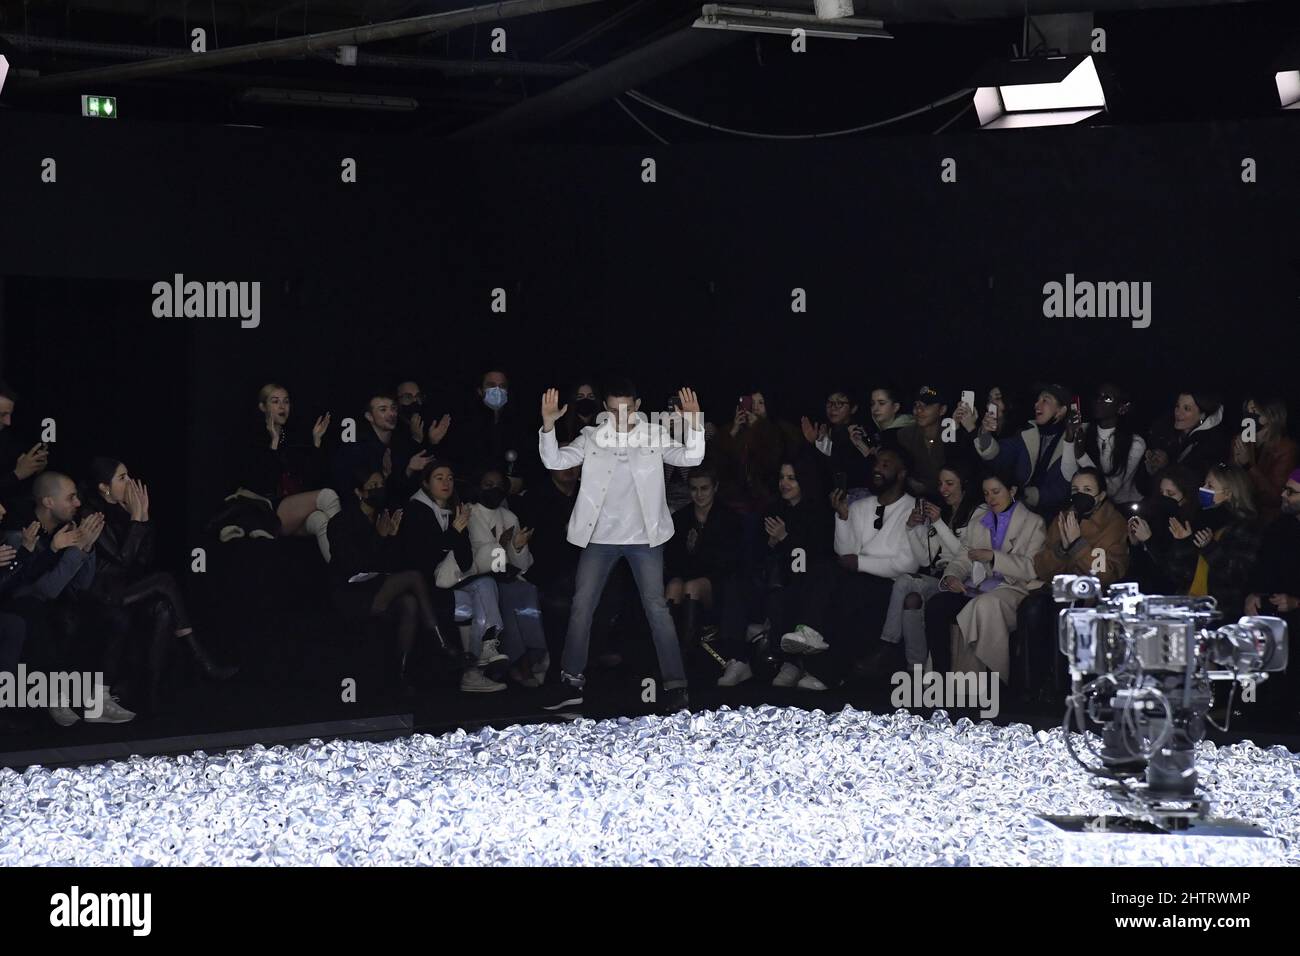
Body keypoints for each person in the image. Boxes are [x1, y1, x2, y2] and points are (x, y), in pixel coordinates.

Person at [536, 380, 706, 713]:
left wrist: (694, 422)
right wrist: (548, 424)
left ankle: (676, 684)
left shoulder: (654, 435)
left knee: (656, 607)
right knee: (582, 604)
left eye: (626, 408)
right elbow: (554, 461)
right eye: (613, 409)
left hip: (644, 537)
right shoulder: (591, 437)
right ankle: (571, 681)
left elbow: (692, 456)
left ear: (638, 405)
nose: (620, 415)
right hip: (599, 537)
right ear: (605, 407)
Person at [80, 457, 237, 710]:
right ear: (103, 487)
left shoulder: (126, 509)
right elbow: (122, 559)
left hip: (128, 589)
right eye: (122, 478)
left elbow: (141, 563)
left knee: (164, 609)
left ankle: (151, 694)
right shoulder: (92, 513)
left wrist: (143, 516)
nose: (130, 482)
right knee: (164, 579)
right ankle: (199, 656)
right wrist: (138, 519)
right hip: (102, 593)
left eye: (128, 475)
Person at [777, 446, 919, 690]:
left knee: (853, 592)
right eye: (876, 463)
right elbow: (845, 552)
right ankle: (808, 636)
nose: (877, 468)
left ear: (902, 473)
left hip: (889, 583)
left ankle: (828, 671)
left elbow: (907, 563)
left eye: (886, 464)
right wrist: (842, 518)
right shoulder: (861, 506)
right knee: (823, 571)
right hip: (855, 575)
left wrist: (861, 562)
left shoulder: (913, 509)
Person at [2, 472, 135, 724]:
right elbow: (44, 592)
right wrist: (74, 550)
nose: (77, 504)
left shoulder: (68, 530)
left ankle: (99, 700)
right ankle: (55, 699)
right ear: (48, 502)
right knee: (50, 618)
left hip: (59, 603)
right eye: (71, 498)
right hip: (26, 608)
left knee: (113, 616)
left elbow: (81, 584)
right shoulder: (21, 536)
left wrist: (85, 547)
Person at [327, 466, 455, 693]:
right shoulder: (341, 521)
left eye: (381, 485)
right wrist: (379, 536)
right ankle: (439, 641)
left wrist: (392, 538)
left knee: (410, 603)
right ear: (360, 492)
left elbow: (390, 565)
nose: (378, 490)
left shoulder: (384, 517)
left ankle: (401, 673)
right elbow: (352, 565)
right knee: (414, 577)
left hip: (378, 587)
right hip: (351, 593)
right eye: (372, 487)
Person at [1016, 466, 1130, 698]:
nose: (1080, 495)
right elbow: (1042, 568)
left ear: (1100, 496)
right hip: (1060, 589)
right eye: (1076, 489)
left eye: (1087, 490)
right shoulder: (1064, 517)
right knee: (1032, 607)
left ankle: (1064, 691)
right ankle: (1031, 688)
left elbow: (1106, 573)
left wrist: (1077, 545)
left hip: (1095, 596)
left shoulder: (1114, 522)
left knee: (1066, 612)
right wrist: (1061, 549)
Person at [925, 470, 1046, 683]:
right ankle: (941, 676)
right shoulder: (978, 521)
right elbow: (963, 558)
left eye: (996, 492)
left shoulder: (1033, 522)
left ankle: (991, 680)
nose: (990, 498)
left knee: (984, 605)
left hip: (1014, 588)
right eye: (986, 493)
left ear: (1012, 491)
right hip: (976, 586)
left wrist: (993, 557)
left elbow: (1032, 568)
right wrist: (951, 577)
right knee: (937, 605)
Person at [399, 461, 509, 693]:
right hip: (424, 589)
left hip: (451, 582)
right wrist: (453, 534)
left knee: (487, 583)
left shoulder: (456, 511)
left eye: (449, 477)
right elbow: (419, 560)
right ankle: (472, 671)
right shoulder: (415, 510)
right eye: (439, 478)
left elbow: (466, 560)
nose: (446, 482)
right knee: (472, 605)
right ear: (426, 483)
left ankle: (486, 649)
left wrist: (457, 534)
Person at [881, 461, 979, 668]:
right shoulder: (943, 514)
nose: (943, 489)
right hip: (939, 578)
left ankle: (888, 647)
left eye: (950, 484)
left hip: (964, 581)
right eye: (941, 483)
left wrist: (938, 523)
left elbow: (966, 553)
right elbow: (925, 559)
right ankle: (915, 665)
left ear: (964, 485)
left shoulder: (978, 512)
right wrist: (911, 528)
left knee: (906, 583)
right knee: (910, 597)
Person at [468, 466, 549, 687]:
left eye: (499, 486)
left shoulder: (509, 516)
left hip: (507, 575)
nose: (494, 490)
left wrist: (518, 546)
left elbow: (522, 565)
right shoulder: (470, 512)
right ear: (479, 487)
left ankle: (532, 655)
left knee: (526, 589)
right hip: (478, 578)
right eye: (488, 485)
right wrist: (504, 546)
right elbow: (485, 558)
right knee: (511, 593)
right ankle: (517, 662)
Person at [239, 383, 340, 560]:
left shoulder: (292, 437)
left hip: (292, 511)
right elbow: (262, 484)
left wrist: (316, 441)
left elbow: (311, 481)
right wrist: (273, 443)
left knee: (319, 520)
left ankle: (345, 574)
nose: (282, 406)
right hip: (266, 511)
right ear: (263, 407)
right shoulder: (252, 438)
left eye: (286, 401)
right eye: (275, 401)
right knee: (328, 496)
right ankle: (352, 555)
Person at [760, 459, 835, 688]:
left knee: (804, 588)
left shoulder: (817, 511)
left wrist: (785, 539)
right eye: (782, 477)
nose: (784, 483)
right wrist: (773, 544)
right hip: (781, 576)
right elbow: (761, 552)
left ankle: (810, 664)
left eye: (791, 478)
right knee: (780, 594)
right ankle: (789, 663)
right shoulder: (774, 509)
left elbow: (814, 554)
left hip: (812, 575)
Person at [663, 466, 742, 667]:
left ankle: (687, 655)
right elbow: (672, 558)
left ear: (715, 488)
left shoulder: (728, 518)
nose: (699, 494)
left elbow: (729, 562)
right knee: (675, 587)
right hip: (687, 576)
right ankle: (670, 656)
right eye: (694, 489)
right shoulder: (681, 518)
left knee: (691, 587)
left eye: (704, 488)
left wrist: (698, 550)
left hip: (718, 583)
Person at [1174, 462, 1260, 620]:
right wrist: (1183, 542)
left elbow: (1235, 576)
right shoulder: (1201, 520)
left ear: (1228, 493)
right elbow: (1182, 573)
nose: (1203, 488)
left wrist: (1209, 548)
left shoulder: (1244, 528)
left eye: (1210, 485)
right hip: (1189, 606)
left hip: (1220, 612)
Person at [973, 383, 1072, 516]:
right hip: (1020, 511)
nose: (1037, 404)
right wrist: (985, 434)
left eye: (1045, 400)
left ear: (1061, 410)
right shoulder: (1026, 433)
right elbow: (999, 458)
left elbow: (1065, 488)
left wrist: (1027, 495)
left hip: (1056, 516)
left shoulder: (1073, 441)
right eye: (1037, 400)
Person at [1060, 383, 1146, 505]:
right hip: (1089, 502)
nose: (1098, 401)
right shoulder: (1083, 429)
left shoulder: (1135, 443)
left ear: (1122, 408)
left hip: (1123, 505)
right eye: (1097, 396)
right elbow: (1069, 476)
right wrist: (1069, 438)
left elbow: (1110, 490)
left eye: (1107, 398)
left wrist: (1081, 456)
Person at [1126, 465, 1202, 595]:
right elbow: (1140, 568)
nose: (1164, 498)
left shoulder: (1193, 525)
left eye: (1170, 494)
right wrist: (1135, 544)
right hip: (1146, 591)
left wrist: (1149, 541)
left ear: (1186, 497)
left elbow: (1177, 575)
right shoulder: (1154, 516)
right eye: (1162, 493)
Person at [893, 386, 974, 498]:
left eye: (926, 405)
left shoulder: (952, 433)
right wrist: (909, 480)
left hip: (948, 498)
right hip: (915, 498)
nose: (919, 410)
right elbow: (901, 468)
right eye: (916, 404)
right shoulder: (905, 435)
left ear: (942, 410)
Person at [1232, 397, 1297, 524]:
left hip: (1267, 519)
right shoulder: (1240, 440)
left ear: (1270, 414)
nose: (1249, 414)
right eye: (1247, 410)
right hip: (1239, 512)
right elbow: (1229, 480)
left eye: (1254, 410)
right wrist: (1234, 465)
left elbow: (1275, 497)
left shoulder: (1286, 449)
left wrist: (1248, 466)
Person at [1143, 391, 1228, 487]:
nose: (1178, 412)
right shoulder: (1164, 429)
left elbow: (1192, 484)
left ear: (1202, 415)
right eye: (1177, 406)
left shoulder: (1211, 445)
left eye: (1186, 409)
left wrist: (1166, 466)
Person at [800, 387, 874, 497]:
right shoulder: (826, 431)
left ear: (853, 408)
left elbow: (846, 469)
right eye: (830, 403)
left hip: (857, 495)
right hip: (832, 496)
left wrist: (821, 445)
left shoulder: (857, 432)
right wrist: (814, 443)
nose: (833, 408)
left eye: (840, 403)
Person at [0, 382, 48, 517]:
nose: (8, 422)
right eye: (2, 415)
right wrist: (17, 474)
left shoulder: (5, 437)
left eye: (9, 414)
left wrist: (34, 467)